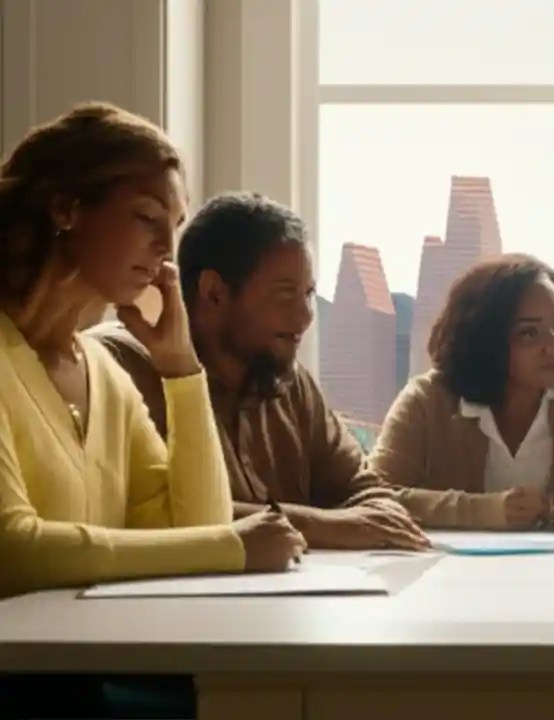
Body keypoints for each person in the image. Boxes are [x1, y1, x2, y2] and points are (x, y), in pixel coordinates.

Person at [0, 104, 304, 716]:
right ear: (66, 210)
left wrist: (181, 371)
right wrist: (232, 547)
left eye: (176, 226)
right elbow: (14, 550)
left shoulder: (106, 376)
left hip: (82, 682)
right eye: (146, 218)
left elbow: (195, 523)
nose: (167, 250)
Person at [92, 192, 428, 551]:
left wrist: (363, 521)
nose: (305, 317)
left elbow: (369, 495)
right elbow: (163, 515)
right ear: (215, 293)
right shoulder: (119, 367)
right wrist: (323, 524)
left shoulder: (289, 380)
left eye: (308, 294)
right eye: (285, 295)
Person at [369, 254, 554, 531]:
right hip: (445, 580)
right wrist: (484, 511)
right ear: (486, 342)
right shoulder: (425, 403)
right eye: (529, 333)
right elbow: (371, 498)